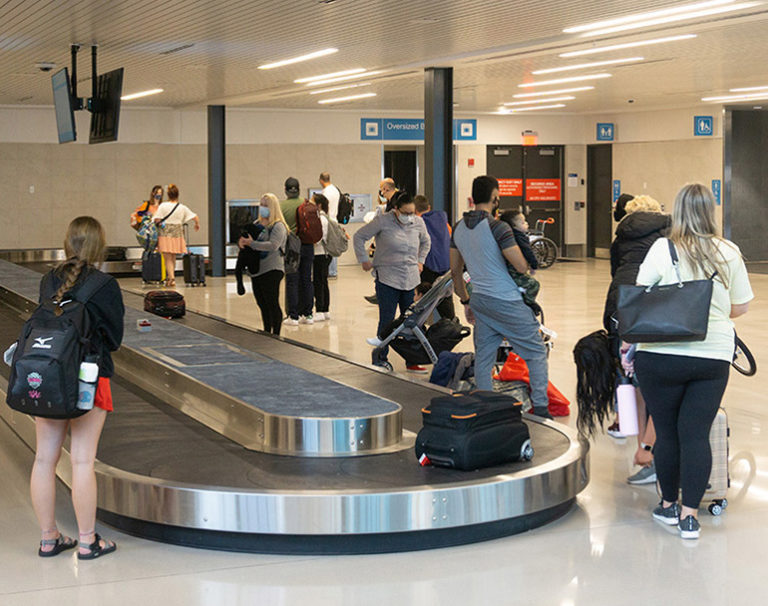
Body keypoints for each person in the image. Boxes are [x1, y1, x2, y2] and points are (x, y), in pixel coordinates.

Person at [628, 183, 753, 540]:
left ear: (678, 212)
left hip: (660, 355)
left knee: (667, 432)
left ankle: (668, 505)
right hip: (711, 356)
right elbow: (740, 306)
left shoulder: (661, 248)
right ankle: (690, 518)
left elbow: (640, 295)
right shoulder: (728, 251)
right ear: (710, 211)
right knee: (696, 434)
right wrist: (711, 310)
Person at [30, 216, 124, 560]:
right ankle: (87, 541)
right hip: (89, 379)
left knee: (44, 458)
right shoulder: (104, 284)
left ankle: (49, 538)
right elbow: (113, 339)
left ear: (68, 242)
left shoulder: (48, 280)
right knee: (82, 461)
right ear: (100, 245)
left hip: (49, 376)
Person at [450, 175, 551, 418]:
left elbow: (455, 271)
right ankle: (541, 408)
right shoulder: (498, 228)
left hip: (480, 300)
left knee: (484, 357)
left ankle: (486, 406)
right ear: (495, 197)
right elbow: (521, 267)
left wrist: (465, 301)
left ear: (473, 198)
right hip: (506, 300)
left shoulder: (458, 228)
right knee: (536, 352)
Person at [602, 195, 670, 484]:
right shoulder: (665, 235)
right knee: (658, 381)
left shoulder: (621, 237)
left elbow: (615, 272)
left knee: (628, 376)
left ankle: (633, 435)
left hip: (619, 304)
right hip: (650, 305)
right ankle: (650, 450)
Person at [354, 192, 431, 372]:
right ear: (396, 209)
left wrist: (421, 261)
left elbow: (426, 242)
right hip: (387, 278)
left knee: (411, 321)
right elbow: (359, 236)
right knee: (387, 320)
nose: (409, 216)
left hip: (410, 278)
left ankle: (412, 360)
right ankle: (380, 358)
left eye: (412, 212)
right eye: (405, 212)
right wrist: (363, 260)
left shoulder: (418, 222)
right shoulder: (382, 221)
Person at [239, 193, 288, 335]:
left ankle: (276, 333)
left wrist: (252, 244)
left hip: (272, 269)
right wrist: (243, 242)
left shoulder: (278, 226)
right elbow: (247, 239)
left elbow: (273, 245)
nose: (263, 208)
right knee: (261, 303)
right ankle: (267, 331)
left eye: (266, 205)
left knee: (272, 302)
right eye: (261, 205)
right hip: (257, 270)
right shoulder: (256, 224)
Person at [414, 194, 455, 321]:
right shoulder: (443, 220)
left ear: (414, 211)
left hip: (428, 267)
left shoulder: (418, 223)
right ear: (429, 207)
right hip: (446, 267)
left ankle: (418, 328)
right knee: (445, 302)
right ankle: (451, 325)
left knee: (421, 303)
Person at [280, 177, 314, 325]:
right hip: (308, 244)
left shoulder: (282, 206)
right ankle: (308, 314)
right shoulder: (307, 203)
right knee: (307, 279)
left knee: (292, 280)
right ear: (299, 189)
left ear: (286, 190)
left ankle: (293, 316)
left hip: (292, 246)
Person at [153, 184, 200, 288]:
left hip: (165, 232)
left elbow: (156, 219)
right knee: (173, 257)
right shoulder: (182, 207)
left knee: (167, 257)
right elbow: (195, 216)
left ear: (168, 194)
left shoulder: (163, 206)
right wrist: (197, 224)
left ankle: (172, 278)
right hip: (177, 233)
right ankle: (171, 277)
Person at [364, 178, 401, 305]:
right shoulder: (391, 203)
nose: (381, 193)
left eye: (382, 190)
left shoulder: (397, 202)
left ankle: (383, 295)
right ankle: (380, 294)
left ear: (386, 189)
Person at [312, 193, 332, 321]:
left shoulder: (321, 219)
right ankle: (325, 310)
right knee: (323, 281)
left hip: (320, 253)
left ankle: (320, 310)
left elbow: (318, 237)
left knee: (318, 282)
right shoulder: (325, 218)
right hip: (324, 254)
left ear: (319, 205)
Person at [319, 172, 340, 279]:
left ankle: (330, 271)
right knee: (333, 245)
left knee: (327, 246)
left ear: (321, 180)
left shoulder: (325, 192)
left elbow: (323, 207)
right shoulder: (335, 190)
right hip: (334, 220)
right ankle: (333, 270)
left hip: (327, 221)